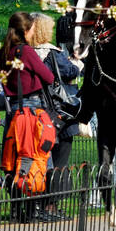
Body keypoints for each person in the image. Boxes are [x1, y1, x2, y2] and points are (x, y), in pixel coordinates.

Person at [0, 11, 56, 222]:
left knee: (13, 158)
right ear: (26, 30)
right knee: (34, 157)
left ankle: (15, 210)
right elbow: (48, 77)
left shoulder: (5, 52)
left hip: (13, 110)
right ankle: (33, 210)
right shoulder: (26, 52)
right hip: (31, 110)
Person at [29, 12, 81, 220]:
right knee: (59, 160)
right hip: (59, 112)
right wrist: (77, 63)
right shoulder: (53, 54)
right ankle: (50, 203)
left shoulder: (26, 53)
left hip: (37, 113)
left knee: (40, 158)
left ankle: (37, 201)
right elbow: (72, 72)